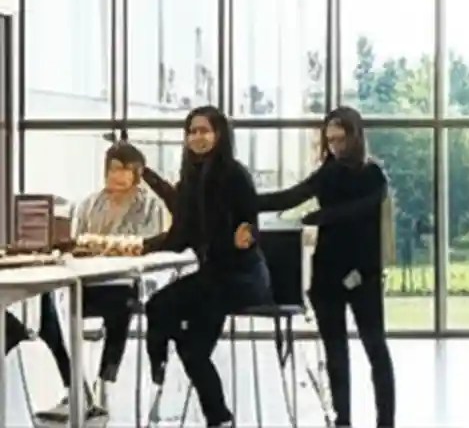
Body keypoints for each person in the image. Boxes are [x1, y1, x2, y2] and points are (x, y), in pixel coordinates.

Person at [256, 106, 395, 427]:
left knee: (375, 348)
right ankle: (342, 420)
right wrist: (246, 200)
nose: (334, 146)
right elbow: (289, 197)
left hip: (363, 274)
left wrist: (321, 217)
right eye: (330, 140)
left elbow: (360, 212)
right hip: (327, 275)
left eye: (340, 139)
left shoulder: (373, 175)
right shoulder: (328, 173)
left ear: (355, 136)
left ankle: (386, 421)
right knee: (335, 352)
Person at [141, 105, 270, 428]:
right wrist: (141, 247)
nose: (197, 137)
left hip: (242, 277)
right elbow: (180, 236)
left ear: (219, 134)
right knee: (191, 348)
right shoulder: (189, 182)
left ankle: (159, 370)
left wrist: (247, 234)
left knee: (161, 308)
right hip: (212, 277)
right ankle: (219, 417)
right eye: (192, 131)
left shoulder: (234, 174)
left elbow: (251, 222)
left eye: (204, 131)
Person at [27, 141, 169, 423]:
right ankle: (74, 387)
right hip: (85, 280)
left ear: (137, 173)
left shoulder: (150, 206)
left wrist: (109, 247)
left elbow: (149, 246)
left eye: (126, 169)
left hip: (123, 281)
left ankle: (105, 384)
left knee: (120, 306)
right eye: (114, 168)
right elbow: (77, 242)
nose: (118, 175)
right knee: (48, 306)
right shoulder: (89, 204)